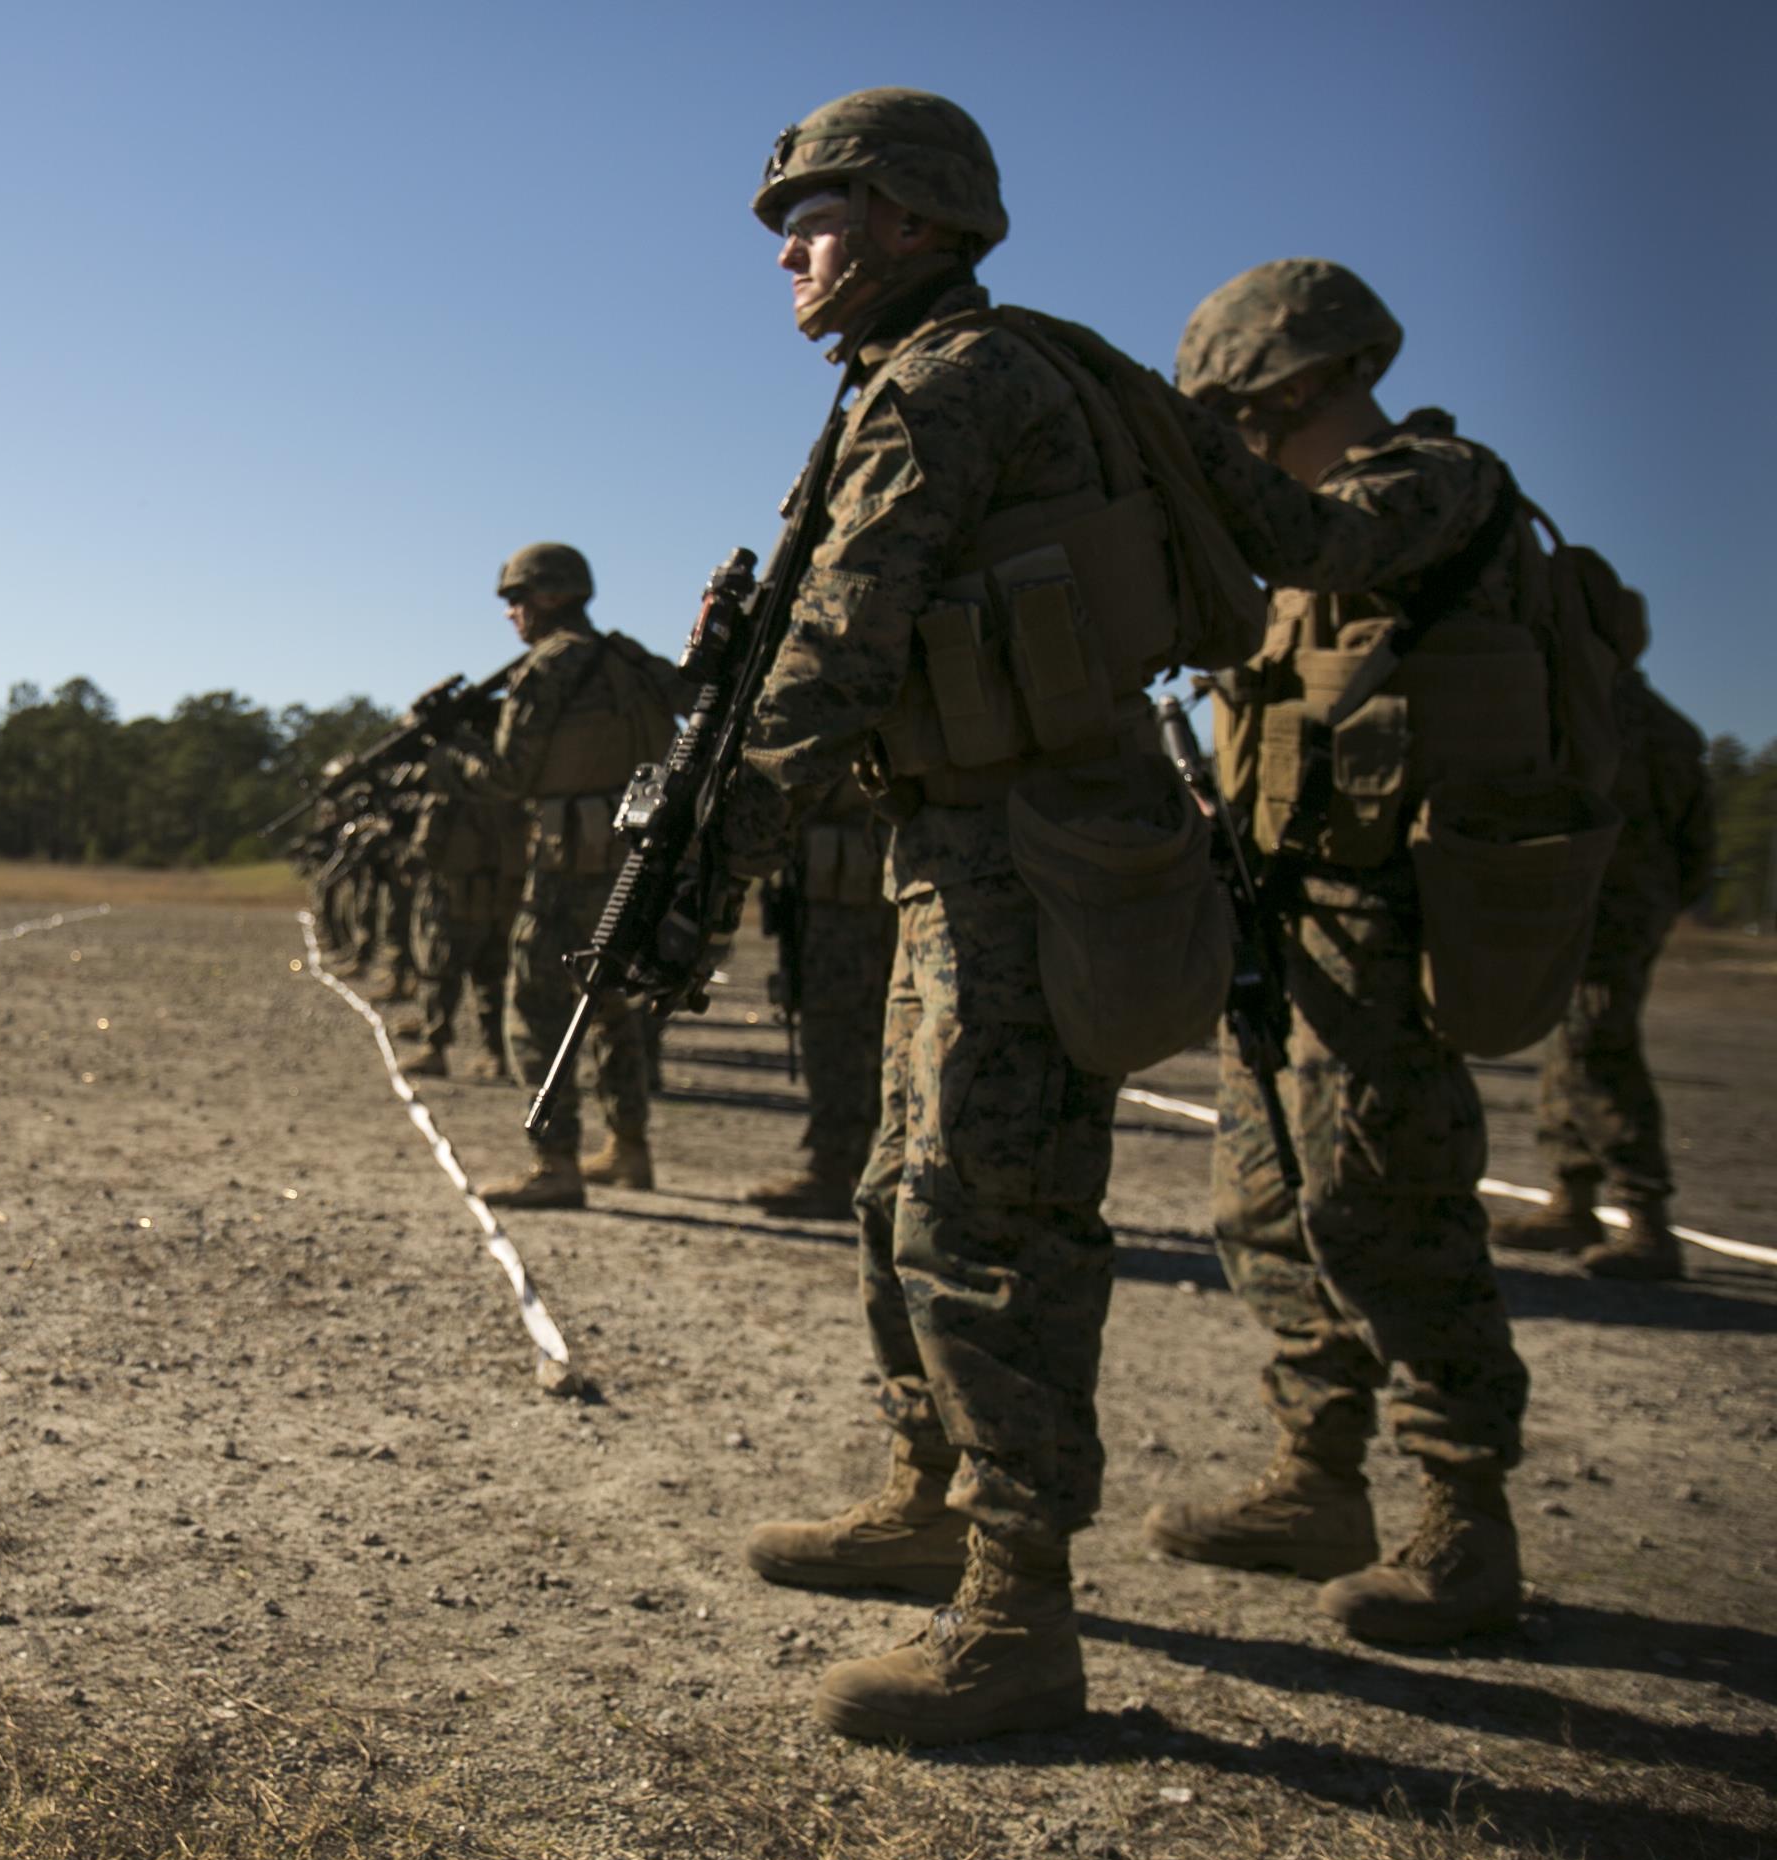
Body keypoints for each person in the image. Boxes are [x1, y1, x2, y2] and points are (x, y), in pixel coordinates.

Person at [720, 93, 1511, 1744]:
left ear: (917, 216)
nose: (788, 252)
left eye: (818, 215)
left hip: (1032, 859)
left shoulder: (956, 379)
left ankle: (1017, 1611)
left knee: (992, 1219)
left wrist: (718, 832)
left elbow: (843, 640)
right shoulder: (972, 371)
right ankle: (929, 1498)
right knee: (907, 1194)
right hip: (975, 846)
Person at [1143, 257, 1618, 1649]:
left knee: (1382, 1204)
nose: (1227, 437)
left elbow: (1316, 544)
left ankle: (1465, 1519)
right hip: (1288, 913)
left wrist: (1170, 464)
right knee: (1261, 1207)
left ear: (1294, 381)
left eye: (1225, 412)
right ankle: (1319, 1479)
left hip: (1395, 919)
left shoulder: (1433, 485)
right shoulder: (1305, 528)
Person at [434, 542, 681, 1206]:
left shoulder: (547, 667)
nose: (511, 613)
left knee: (536, 1007)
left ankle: (556, 1163)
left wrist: (450, 758)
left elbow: (509, 777)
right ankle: (629, 1148)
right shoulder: (633, 661)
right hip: (640, 863)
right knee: (612, 1005)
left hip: (570, 865)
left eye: (516, 598)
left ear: (549, 596)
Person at [1490, 616, 1714, 1280]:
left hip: (1607, 909)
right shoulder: (1666, 727)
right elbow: (1697, 844)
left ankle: (1646, 1219)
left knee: (1597, 1049)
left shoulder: (1589, 716)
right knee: (1571, 1044)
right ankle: (1573, 1197)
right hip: (1622, 907)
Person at [747, 758, 896, 1218]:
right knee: (863, 1024)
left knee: (836, 1027)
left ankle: (836, 1170)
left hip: (845, 886)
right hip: (846, 877)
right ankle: (859, 1167)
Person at [400, 777, 525, 1079]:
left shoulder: (446, 796)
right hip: (502, 901)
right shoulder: (507, 790)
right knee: (492, 980)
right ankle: (496, 1055)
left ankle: (434, 1049)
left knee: (440, 977)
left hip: (456, 902)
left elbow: (425, 849)